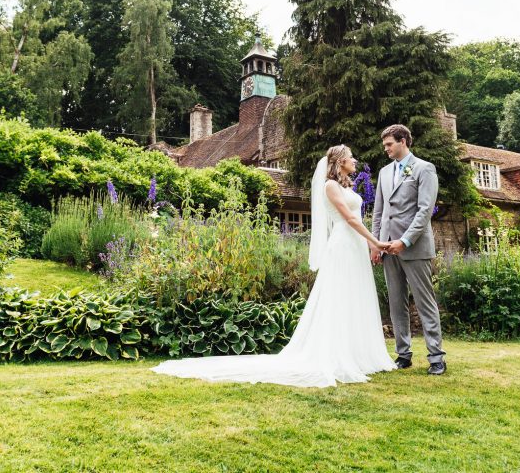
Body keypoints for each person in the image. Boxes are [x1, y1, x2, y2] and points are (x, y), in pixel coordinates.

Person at [152, 144, 396, 387]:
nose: (355, 160)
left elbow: (358, 217)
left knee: (355, 296)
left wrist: (368, 244)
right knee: (340, 297)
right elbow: (350, 218)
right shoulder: (330, 186)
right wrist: (374, 241)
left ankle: (359, 353)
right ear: (340, 161)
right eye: (351, 157)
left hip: (354, 244)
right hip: (343, 244)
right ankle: (339, 355)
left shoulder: (346, 186)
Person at [372, 124, 446, 375]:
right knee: (396, 303)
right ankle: (403, 354)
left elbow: (425, 211)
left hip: (414, 247)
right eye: (385, 146)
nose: (386, 149)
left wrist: (404, 240)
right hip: (387, 247)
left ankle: (436, 357)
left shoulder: (425, 169)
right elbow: (379, 212)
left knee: (425, 303)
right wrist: (376, 243)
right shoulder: (383, 173)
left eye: (389, 144)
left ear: (403, 141)